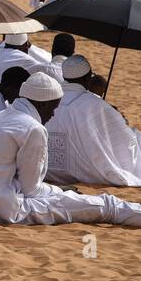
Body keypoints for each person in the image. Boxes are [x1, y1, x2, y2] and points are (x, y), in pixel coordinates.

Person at [0, 73, 141, 227]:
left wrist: (59, 190)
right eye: (53, 107)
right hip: (9, 210)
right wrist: (60, 191)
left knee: (78, 199)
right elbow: (30, 190)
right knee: (103, 206)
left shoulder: (1, 116)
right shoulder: (33, 128)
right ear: (41, 105)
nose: (53, 114)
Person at [45, 55, 141, 186]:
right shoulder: (95, 104)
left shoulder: (49, 99)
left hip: (50, 169)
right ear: (86, 78)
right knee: (135, 137)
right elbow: (122, 136)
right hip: (84, 171)